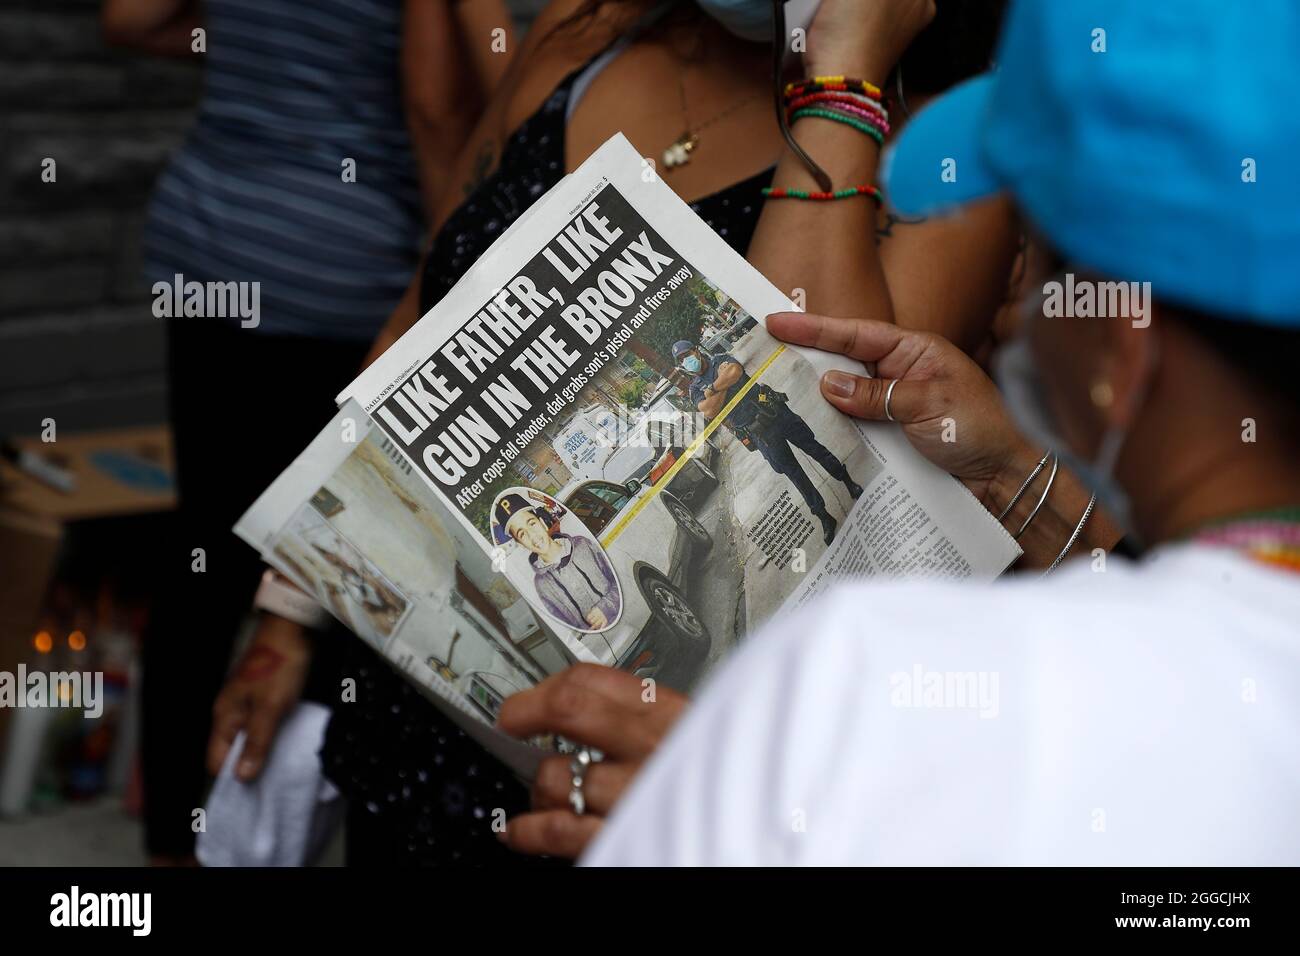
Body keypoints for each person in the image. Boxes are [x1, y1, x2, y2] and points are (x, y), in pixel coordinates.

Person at [494, 0, 1300, 863]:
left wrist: (715, 794)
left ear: (1119, 350)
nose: (1019, 319)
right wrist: (1009, 474)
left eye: (1037, 266)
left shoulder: (877, 692)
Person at [223, 0, 1014, 867]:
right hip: (416, 740)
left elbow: (812, 387)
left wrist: (841, 75)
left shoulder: (946, 154)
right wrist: (287, 615)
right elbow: (419, 317)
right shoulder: (580, 35)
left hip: (639, 809)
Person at [102, 0, 509, 863]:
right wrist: (462, 257)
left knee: (204, 550)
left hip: (210, 241)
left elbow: (131, 17)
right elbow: (450, 103)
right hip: (340, 269)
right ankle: (268, 836)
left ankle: (175, 843)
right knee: (328, 558)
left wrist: (269, 66)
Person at [672, 339, 862, 542]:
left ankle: (847, 481)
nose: (687, 360)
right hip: (758, 432)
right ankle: (823, 516)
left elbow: (734, 373)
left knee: (813, 448)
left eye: (687, 354)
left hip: (775, 412)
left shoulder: (721, 360)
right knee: (794, 473)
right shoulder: (695, 390)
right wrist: (721, 383)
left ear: (696, 350)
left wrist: (713, 389)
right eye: (682, 359)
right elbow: (709, 410)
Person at [494, 493, 620, 631]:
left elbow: (619, 578)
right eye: (522, 534)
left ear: (542, 522)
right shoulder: (541, 585)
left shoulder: (583, 545)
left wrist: (606, 608)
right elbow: (565, 629)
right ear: (520, 544)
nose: (532, 535)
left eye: (532, 524)